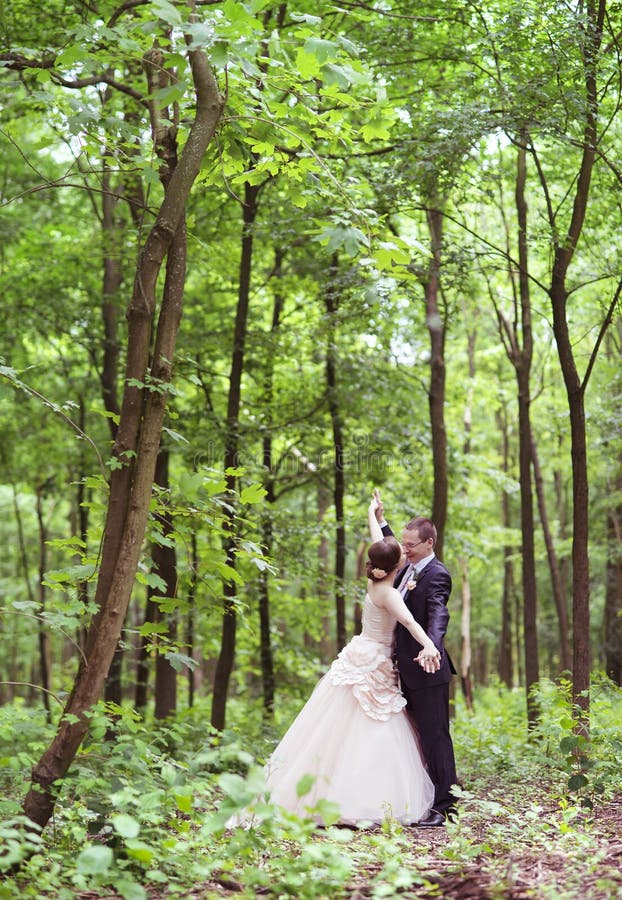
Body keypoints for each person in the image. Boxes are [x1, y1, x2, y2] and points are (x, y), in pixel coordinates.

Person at [232, 495, 441, 827]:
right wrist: (431, 646)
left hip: (361, 652)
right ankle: (363, 798)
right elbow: (411, 624)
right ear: (397, 565)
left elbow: (379, 544)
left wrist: (373, 514)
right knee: (376, 727)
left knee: (341, 725)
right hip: (374, 660)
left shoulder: (375, 579)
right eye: (401, 551)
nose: (404, 552)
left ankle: (328, 792)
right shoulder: (388, 593)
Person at [374, 489, 458, 826]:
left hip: (428, 671)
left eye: (410, 545)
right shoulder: (405, 566)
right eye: (403, 543)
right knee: (415, 739)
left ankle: (446, 806)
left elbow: (438, 614)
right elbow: (389, 546)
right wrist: (381, 522)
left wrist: (431, 647)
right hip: (403, 671)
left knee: (436, 736)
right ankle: (423, 798)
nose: (404, 548)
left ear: (429, 544)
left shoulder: (437, 574)